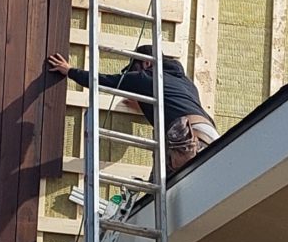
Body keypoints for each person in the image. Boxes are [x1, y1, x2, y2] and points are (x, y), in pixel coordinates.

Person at [46, 40, 219, 177]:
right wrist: (141, 103)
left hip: (187, 139)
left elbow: (104, 81)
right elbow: (174, 104)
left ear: (145, 63)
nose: (132, 74)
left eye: (133, 69)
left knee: (161, 190)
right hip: (210, 137)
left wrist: (69, 70)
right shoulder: (185, 83)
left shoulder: (146, 78)